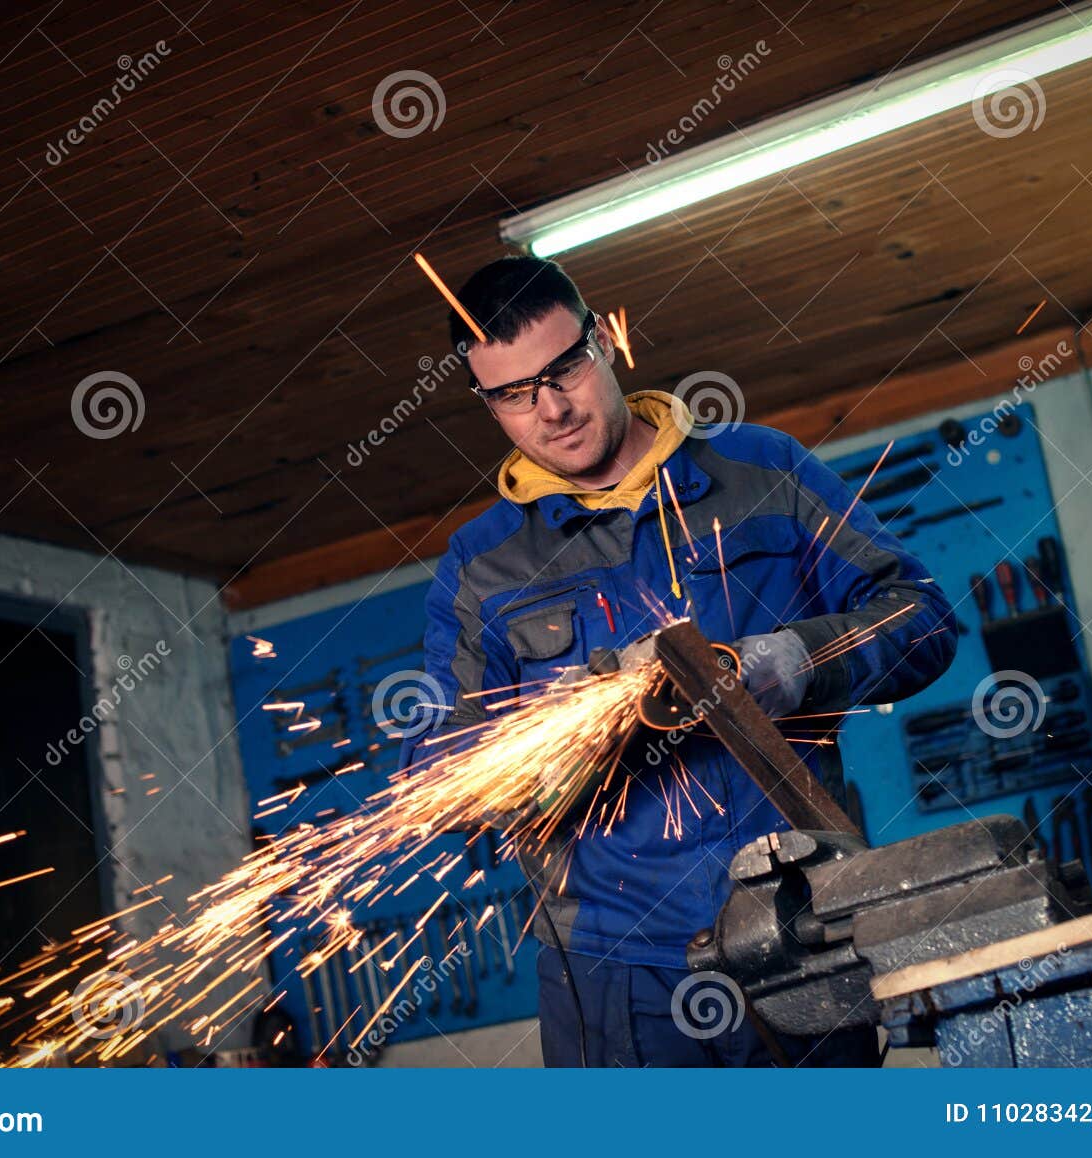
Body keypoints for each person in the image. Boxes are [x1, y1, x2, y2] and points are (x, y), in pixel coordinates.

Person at [399, 256, 955, 1067]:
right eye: (514, 394)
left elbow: (921, 613)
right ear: (485, 401)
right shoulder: (482, 570)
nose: (551, 409)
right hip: (617, 975)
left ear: (607, 340)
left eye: (565, 369)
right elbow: (436, 775)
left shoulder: (761, 471)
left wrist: (796, 661)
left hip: (800, 921)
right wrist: (581, 720)